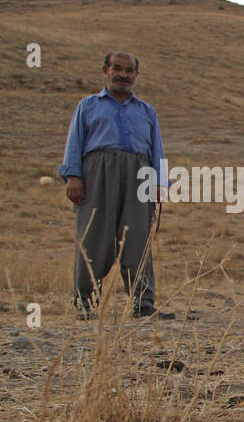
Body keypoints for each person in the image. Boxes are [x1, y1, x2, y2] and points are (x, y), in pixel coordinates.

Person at [59, 50, 174, 320]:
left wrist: (160, 182)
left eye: (129, 70)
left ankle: (143, 305)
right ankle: (85, 303)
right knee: (93, 237)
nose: (123, 75)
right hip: (98, 172)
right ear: (105, 71)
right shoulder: (88, 106)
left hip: (140, 173)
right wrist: (73, 176)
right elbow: (74, 142)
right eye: (117, 69)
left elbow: (157, 148)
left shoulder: (147, 110)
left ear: (136, 74)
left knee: (138, 239)